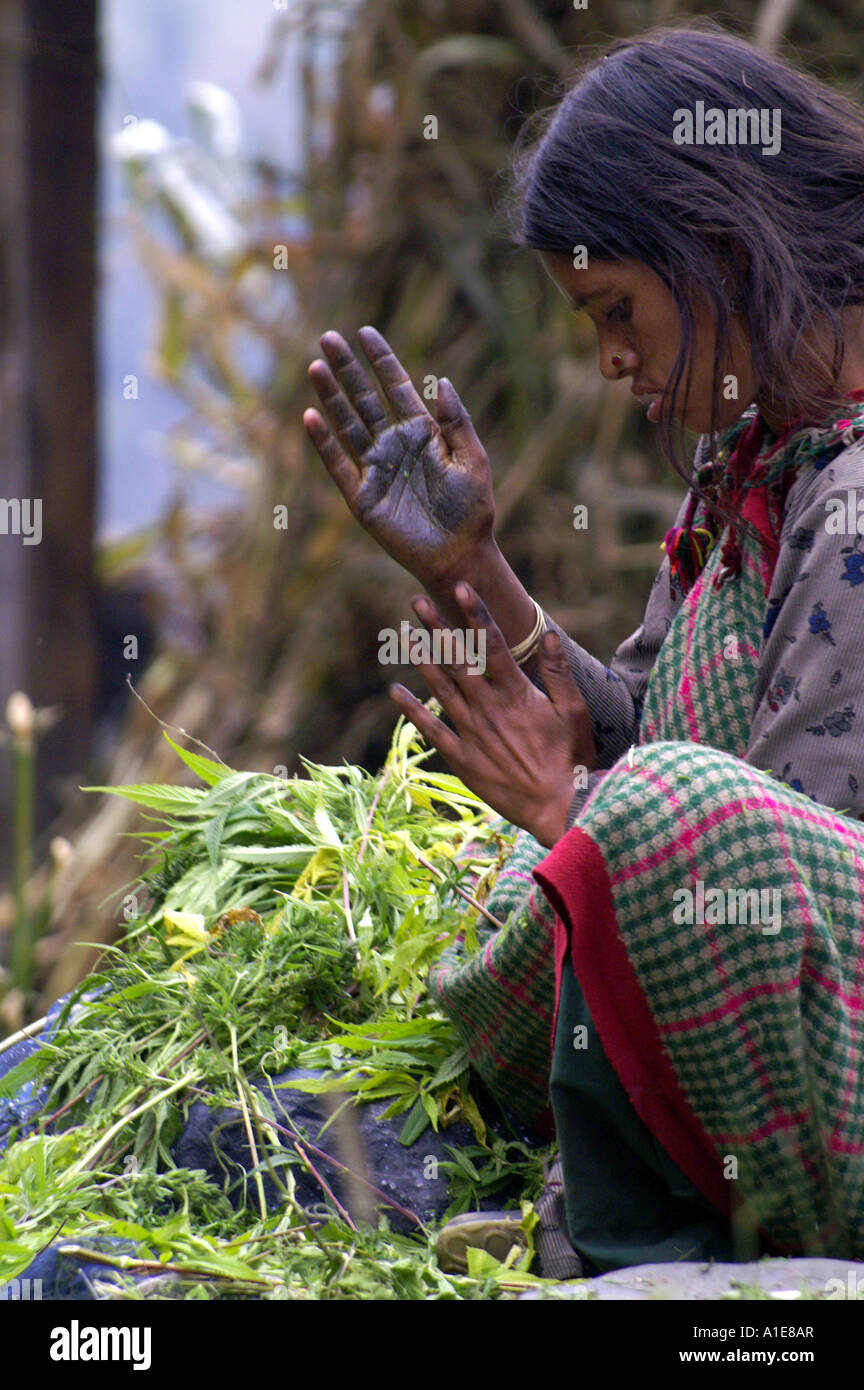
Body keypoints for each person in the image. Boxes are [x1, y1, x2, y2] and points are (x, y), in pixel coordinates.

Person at [303, 24, 864, 1276]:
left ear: (716, 244)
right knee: (514, 861)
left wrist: (573, 813)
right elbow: (656, 728)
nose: (611, 361)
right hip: (750, 967)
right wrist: (472, 571)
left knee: (626, 826)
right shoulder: (760, 463)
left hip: (840, 1040)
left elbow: (753, 862)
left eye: (618, 310)